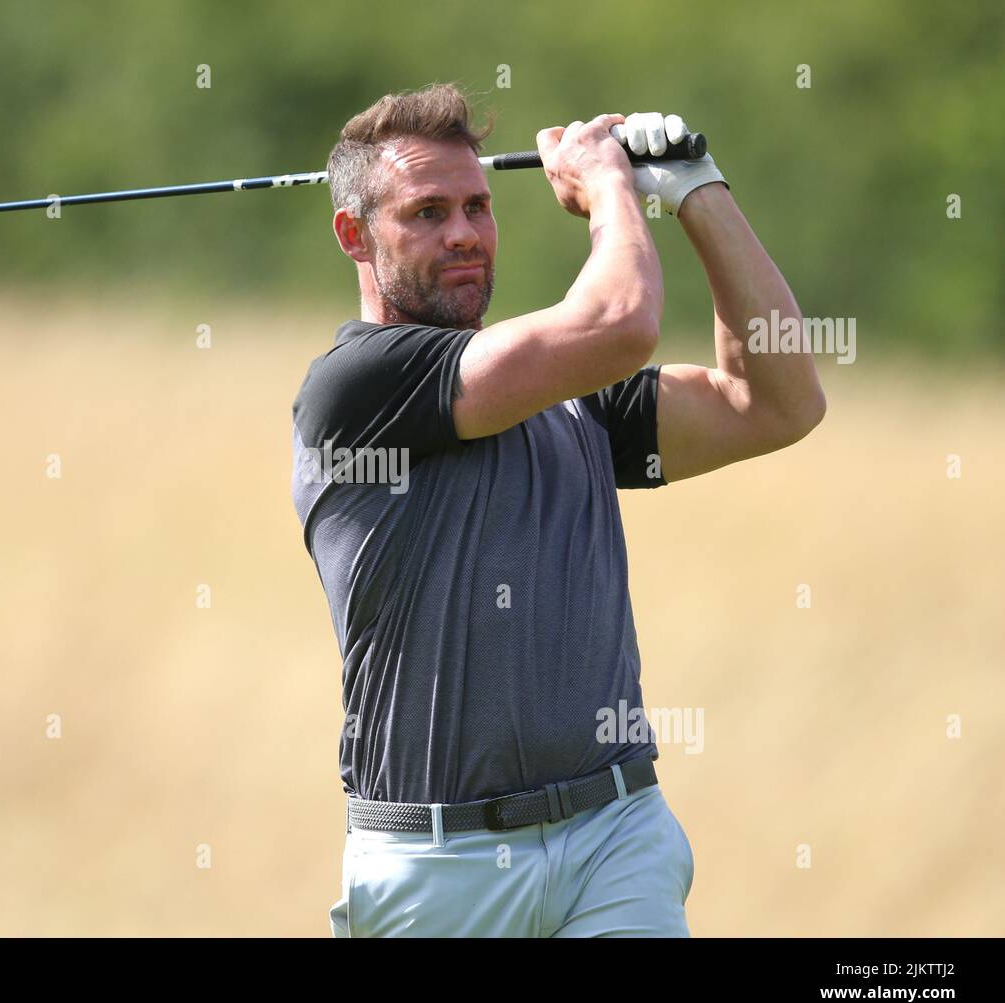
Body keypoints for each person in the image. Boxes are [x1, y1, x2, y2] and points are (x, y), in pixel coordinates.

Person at [290, 83, 825, 938]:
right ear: (354, 235)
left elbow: (776, 399)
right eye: (427, 212)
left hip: (614, 836)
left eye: (476, 206)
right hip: (439, 867)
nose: (463, 233)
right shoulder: (354, 389)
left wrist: (696, 190)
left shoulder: (569, 401)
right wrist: (608, 185)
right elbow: (619, 320)